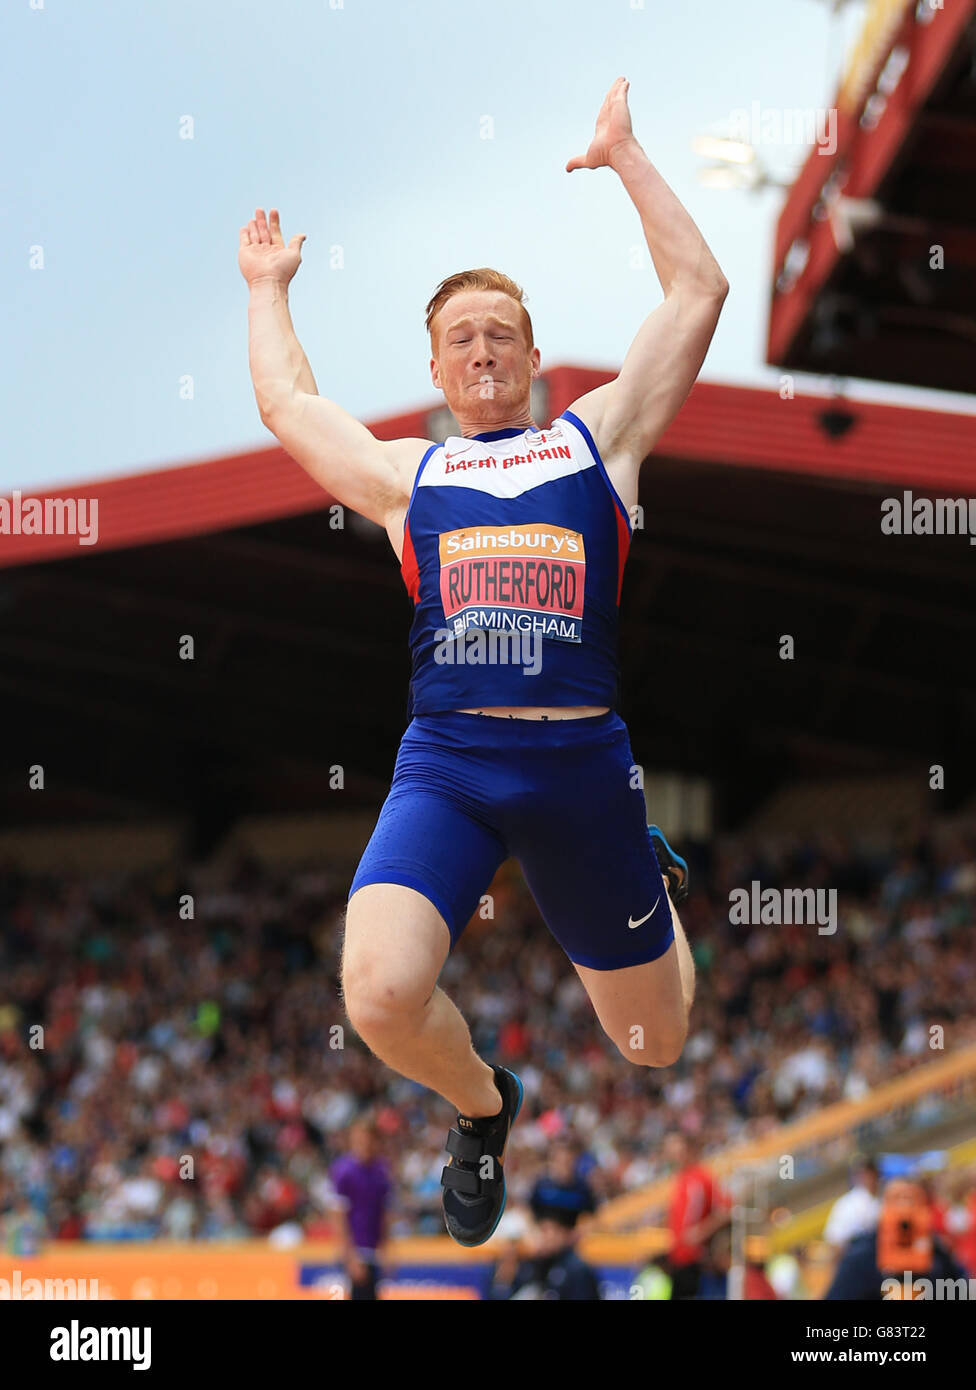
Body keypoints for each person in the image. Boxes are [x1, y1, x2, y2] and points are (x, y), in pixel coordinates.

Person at [240, 76, 727, 1248]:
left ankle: (645, 886)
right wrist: (267, 290)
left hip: (577, 770)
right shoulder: (413, 478)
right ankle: (482, 1103)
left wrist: (623, 159)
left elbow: (697, 290)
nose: (481, 350)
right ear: (439, 370)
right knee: (378, 994)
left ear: (533, 356)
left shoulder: (595, 439)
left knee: (656, 1045)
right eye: (460, 339)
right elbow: (290, 402)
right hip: (450, 766)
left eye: (500, 333)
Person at [329, 1118, 391, 1301]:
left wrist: (387, 1248)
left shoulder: (382, 1171)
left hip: (374, 1252)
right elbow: (338, 1217)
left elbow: (384, 1213)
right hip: (355, 1252)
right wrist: (349, 1256)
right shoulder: (343, 1171)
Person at [664, 1132, 729, 1298]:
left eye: (679, 1152)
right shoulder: (681, 1179)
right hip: (678, 1259)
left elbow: (725, 1210)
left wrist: (700, 1232)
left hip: (694, 1261)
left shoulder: (700, 1177)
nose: (675, 1157)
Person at [823, 1154, 881, 1250]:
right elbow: (834, 1239)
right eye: (861, 1174)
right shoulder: (846, 1205)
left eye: (869, 1172)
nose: (866, 1177)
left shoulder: (889, 1193)